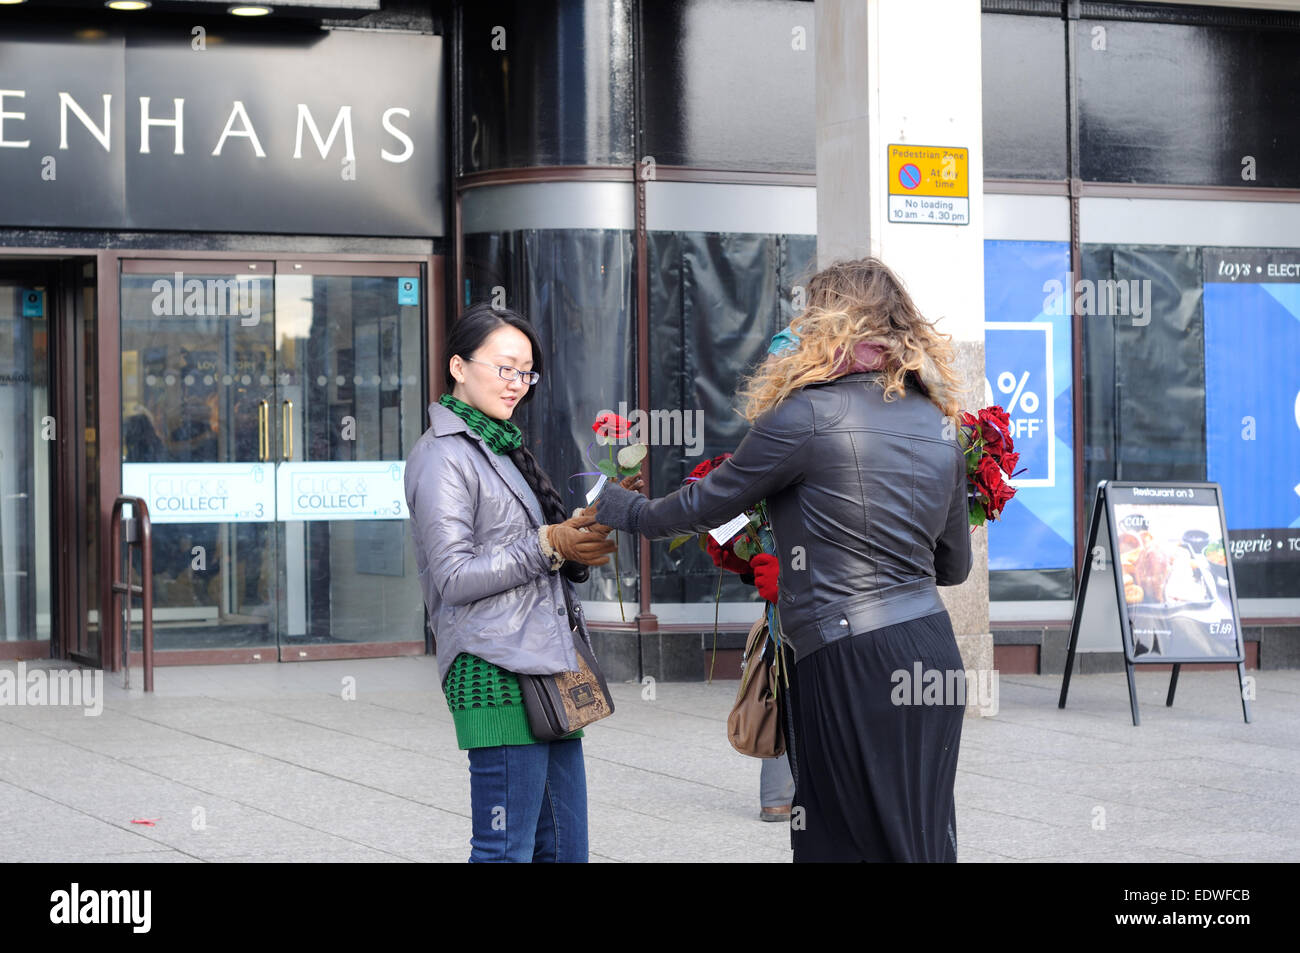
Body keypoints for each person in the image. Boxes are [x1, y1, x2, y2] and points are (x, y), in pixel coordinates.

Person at [596, 257, 973, 862]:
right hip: (932, 648)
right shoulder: (938, 423)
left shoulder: (806, 415)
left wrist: (625, 509)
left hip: (850, 651)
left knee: (839, 836)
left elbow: (705, 502)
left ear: (828, 322)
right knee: (922, 838)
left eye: (808, 315)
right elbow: (953, 569)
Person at [404, 302, 638, 863]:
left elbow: (532, 548)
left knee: (563, 848)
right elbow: (454, 576)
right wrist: (548, 543)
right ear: (459, 367)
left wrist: (572, 539)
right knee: (504, 851)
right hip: (493, 670)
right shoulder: (441, 457)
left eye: (525, 372)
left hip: (548, 666)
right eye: (503, 367)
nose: (516, 384)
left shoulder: (502, 447)